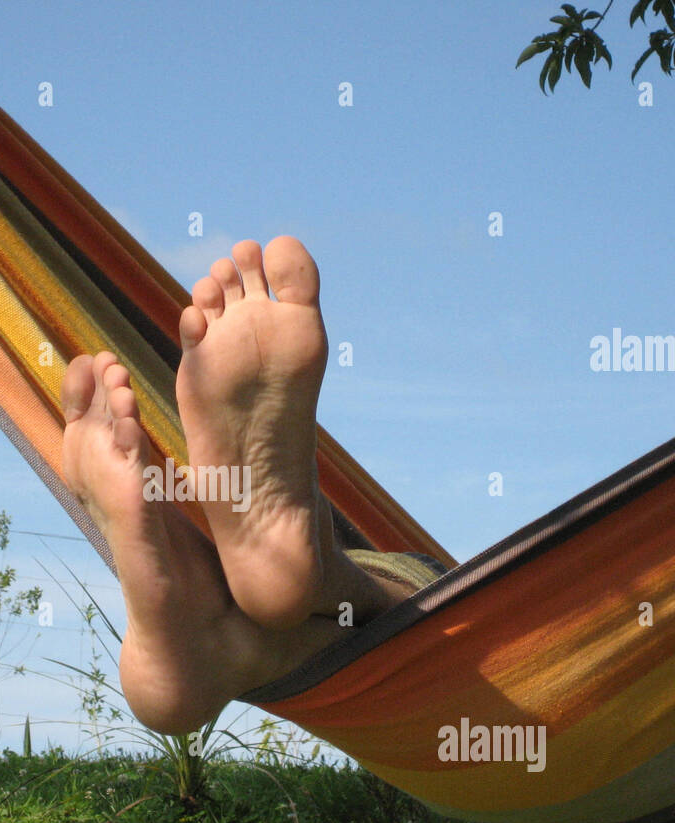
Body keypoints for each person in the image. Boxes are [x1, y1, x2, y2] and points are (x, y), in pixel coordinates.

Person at [60, 236, 435, 735]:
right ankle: (295, 587)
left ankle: (229, 636)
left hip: (452, 657)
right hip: (464, 679)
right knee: (431, 615)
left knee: (402, 606)